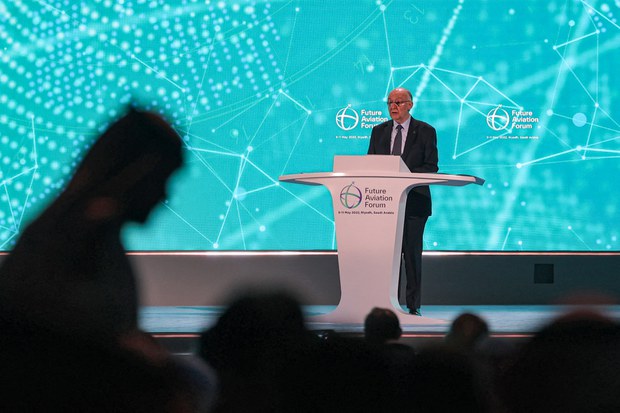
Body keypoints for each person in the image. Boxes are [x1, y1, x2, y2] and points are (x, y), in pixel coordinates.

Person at [367, 87, 439, 316]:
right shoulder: (378, 131)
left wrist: (403, 175)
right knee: (388, 258)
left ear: (410, 104)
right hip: (383, 204)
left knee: (411, 255)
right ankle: (388, 304)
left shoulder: (426, 131)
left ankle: (413, 305)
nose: (393, 106)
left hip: (414, 204)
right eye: (389, 102)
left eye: (398, 102)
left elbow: (431, 166)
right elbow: (371, 164)